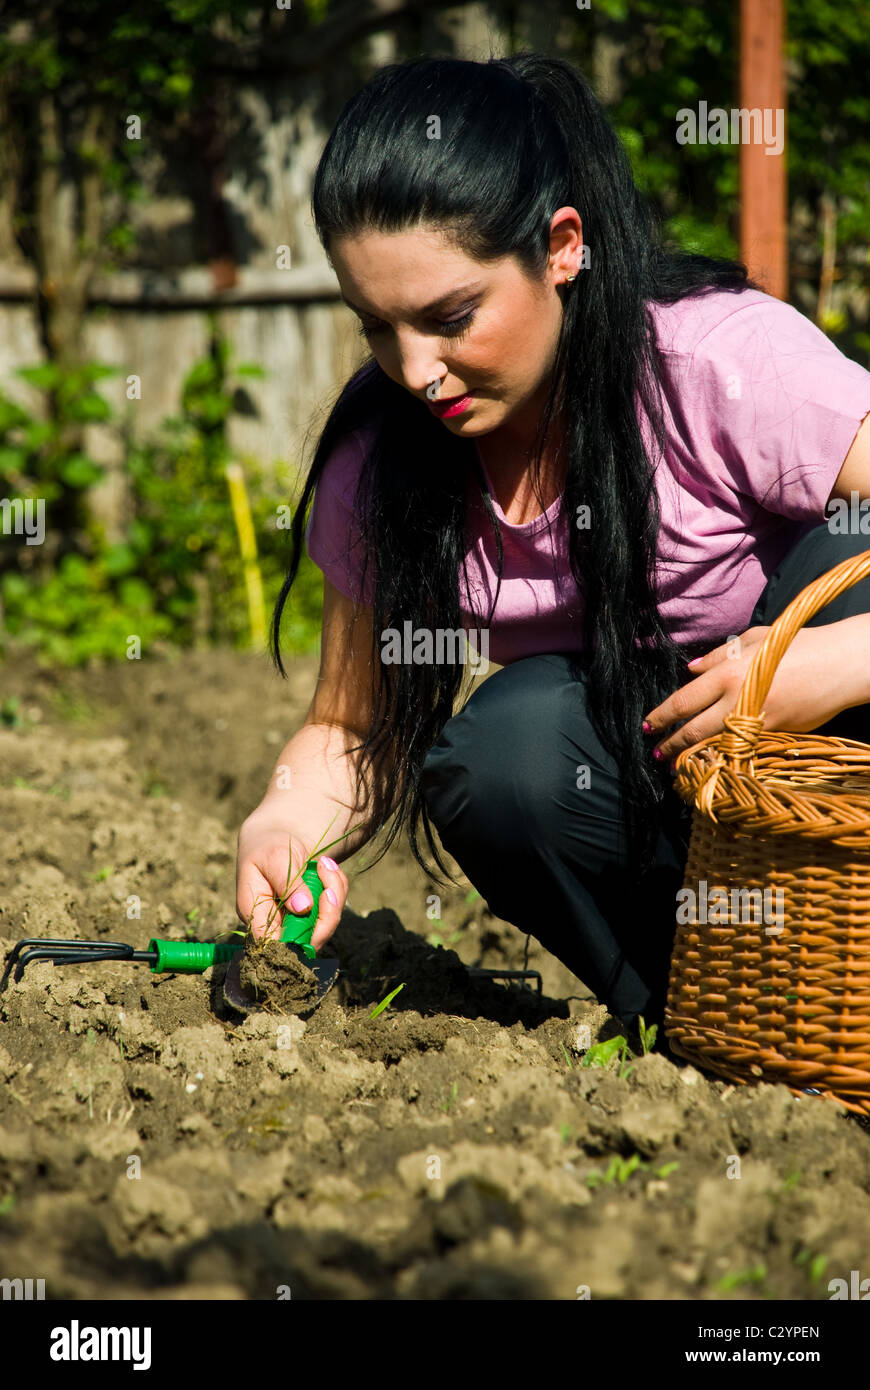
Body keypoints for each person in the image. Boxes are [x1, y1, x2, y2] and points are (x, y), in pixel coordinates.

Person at [235, 52, 870, 1031]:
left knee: (849, 560)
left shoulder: (721, 365)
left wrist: (824, 660)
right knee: (508, 755)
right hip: (688, 806)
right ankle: (707, 1019)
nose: (416, 372)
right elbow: (350, 730)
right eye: (377, 328)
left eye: (450, 319)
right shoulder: (386, 463)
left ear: (562, 246)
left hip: (835, 750)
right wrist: (285, 821)